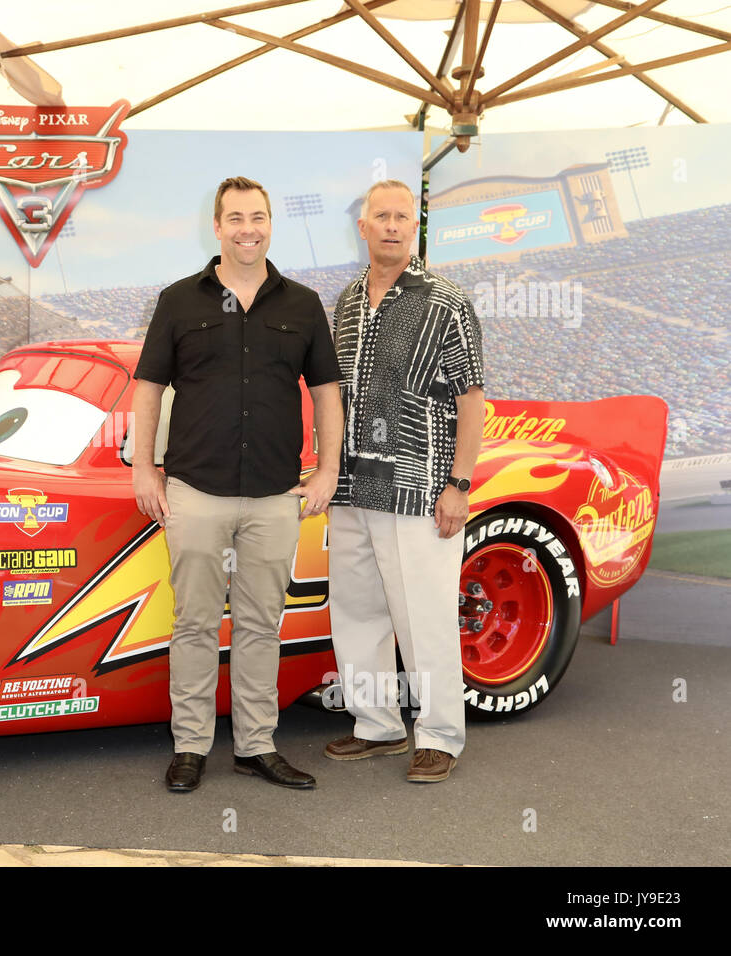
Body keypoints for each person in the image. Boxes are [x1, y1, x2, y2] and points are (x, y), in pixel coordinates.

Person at [130, 176, 343, 793]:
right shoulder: (178, 300)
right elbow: (149, 389)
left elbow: (327, 393)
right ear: (217, 227)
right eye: (236, 218)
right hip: (195, 490)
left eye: (259, 217)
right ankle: (191, 746)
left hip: (277, 495)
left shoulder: (302, 305)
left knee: (259, 626)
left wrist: (327, 468)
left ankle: (255, 745)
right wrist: (144, 466)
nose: (248, 228)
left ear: (269, 223)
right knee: (194, 624)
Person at [323, 179, 485, 783]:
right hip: (351, 489)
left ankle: (441, 734)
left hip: (420, 489)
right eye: (380, 216)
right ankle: (378, 725)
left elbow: (473, 399)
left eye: (402, 217)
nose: (392, 226)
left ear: (413, 229)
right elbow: (333, 395)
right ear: (361, 227)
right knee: (358, 611)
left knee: (425, 615)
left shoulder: (445, 301)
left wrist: (459, 484)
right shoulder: (343, 302)